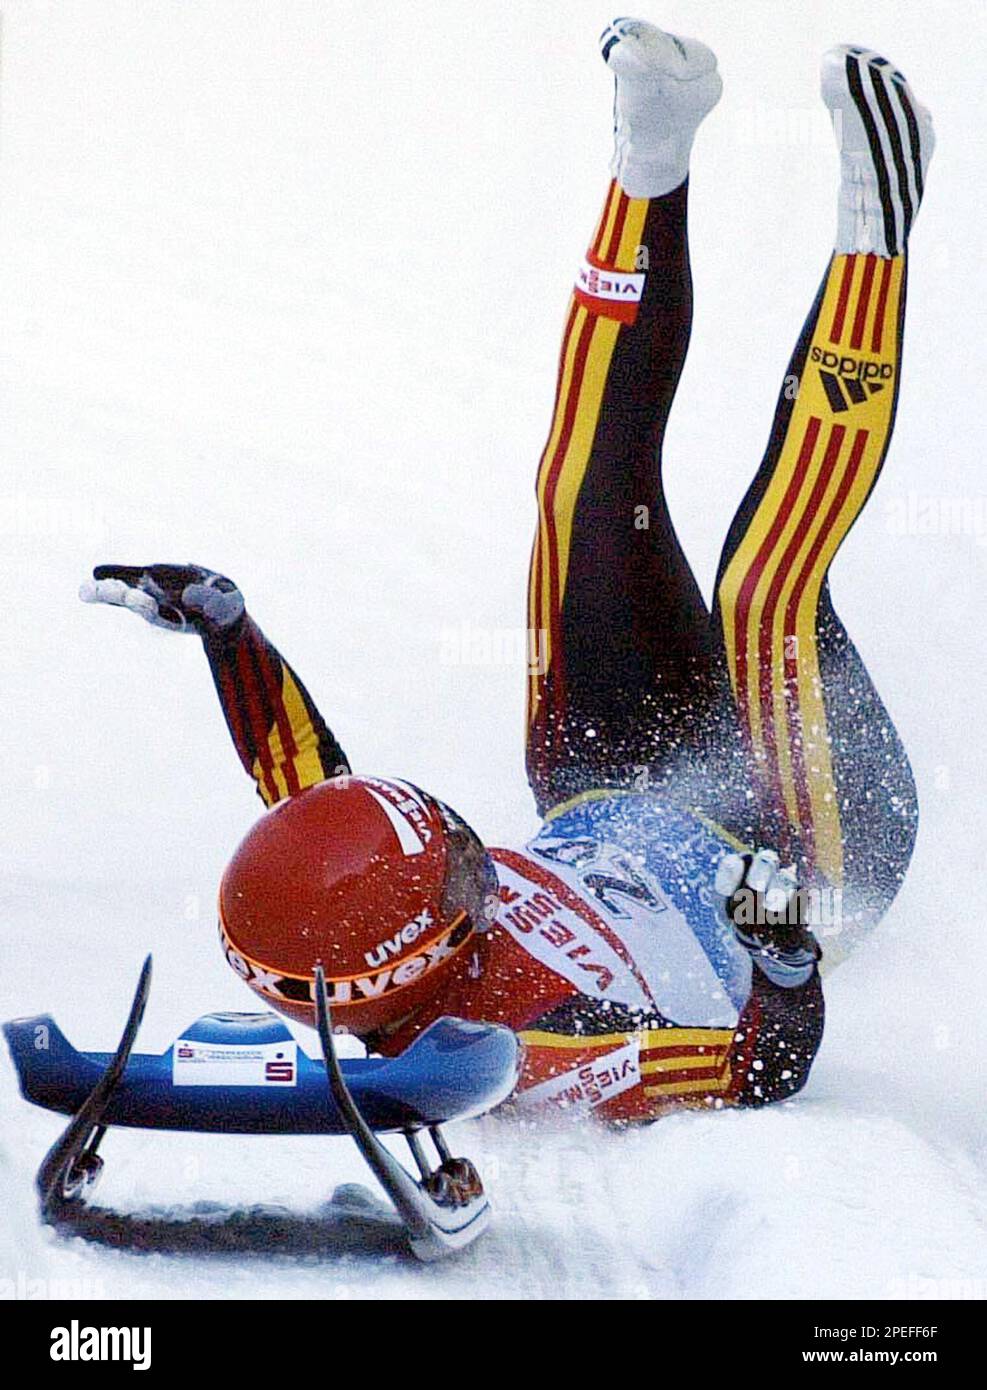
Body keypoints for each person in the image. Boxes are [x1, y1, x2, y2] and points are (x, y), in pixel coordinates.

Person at [81, 19, 933, 1121]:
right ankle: (878, 231)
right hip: (805, 855)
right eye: (458, 876)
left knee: (576, 495)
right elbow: (753, 1070)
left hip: (620, 786)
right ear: (410, 957)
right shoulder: (532, 1042)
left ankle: (651, 157)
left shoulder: (375, 922)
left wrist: (230, 635)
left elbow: (298, 777)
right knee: (762, 592)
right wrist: (782, 963)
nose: (478, 861)